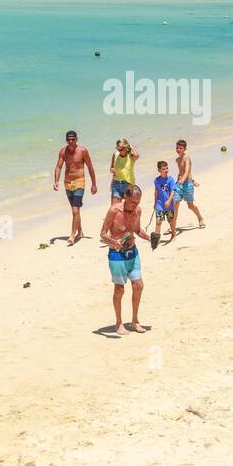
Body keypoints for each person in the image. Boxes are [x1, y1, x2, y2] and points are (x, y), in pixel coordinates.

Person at [101, 186, 151, 334]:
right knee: (120, 289)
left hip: (133, 253)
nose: (136, 206)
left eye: (138, 202)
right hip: (117, 256)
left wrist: (149, 237)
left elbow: (137, 230)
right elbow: (103, 234)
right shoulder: (114, 211)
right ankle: (119, 323)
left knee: (138, 286)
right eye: (133, 202)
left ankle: (135, 321)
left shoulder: (138, 211)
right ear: (125, 197)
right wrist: (111, 241)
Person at [53, 130, 97, 245]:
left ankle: (72, 235)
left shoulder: (83, 151)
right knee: (75, 211)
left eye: (73, 139)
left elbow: (90, 168)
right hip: (67, 183)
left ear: (76, 139)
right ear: (66, 140)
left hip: (79, 182)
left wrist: (94, 184)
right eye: (68, 139)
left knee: (75, 210)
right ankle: (80, 232)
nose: (71, 141)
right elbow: (58, 167)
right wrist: (56, 181)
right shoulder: (63, 152)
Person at [169, 139, 204, 240]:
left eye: (180, 148)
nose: (178, 149)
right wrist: (178, 181)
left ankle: (200, 218)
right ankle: (173, 228)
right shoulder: (177, 160)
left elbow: (187, 170)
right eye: (177, 147)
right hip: (179, 184)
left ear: (185, 149)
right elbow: (181, 171)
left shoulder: (186, 158)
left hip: (187, 185)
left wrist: (188, 180)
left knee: (190, 206)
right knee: (175, 204)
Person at [151, 160, 176, 247]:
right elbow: (156, 191)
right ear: (159, 170)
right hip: (160, 204)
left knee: (171, 221)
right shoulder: (156, 180)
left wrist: (169, 200)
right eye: (163, 169)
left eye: (167, 168)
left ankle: (173, 234)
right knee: (158, 222)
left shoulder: (171, 180)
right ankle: (156, 240)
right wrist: (155, 203)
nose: (166, 170)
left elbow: (173, 191)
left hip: (169, 205)